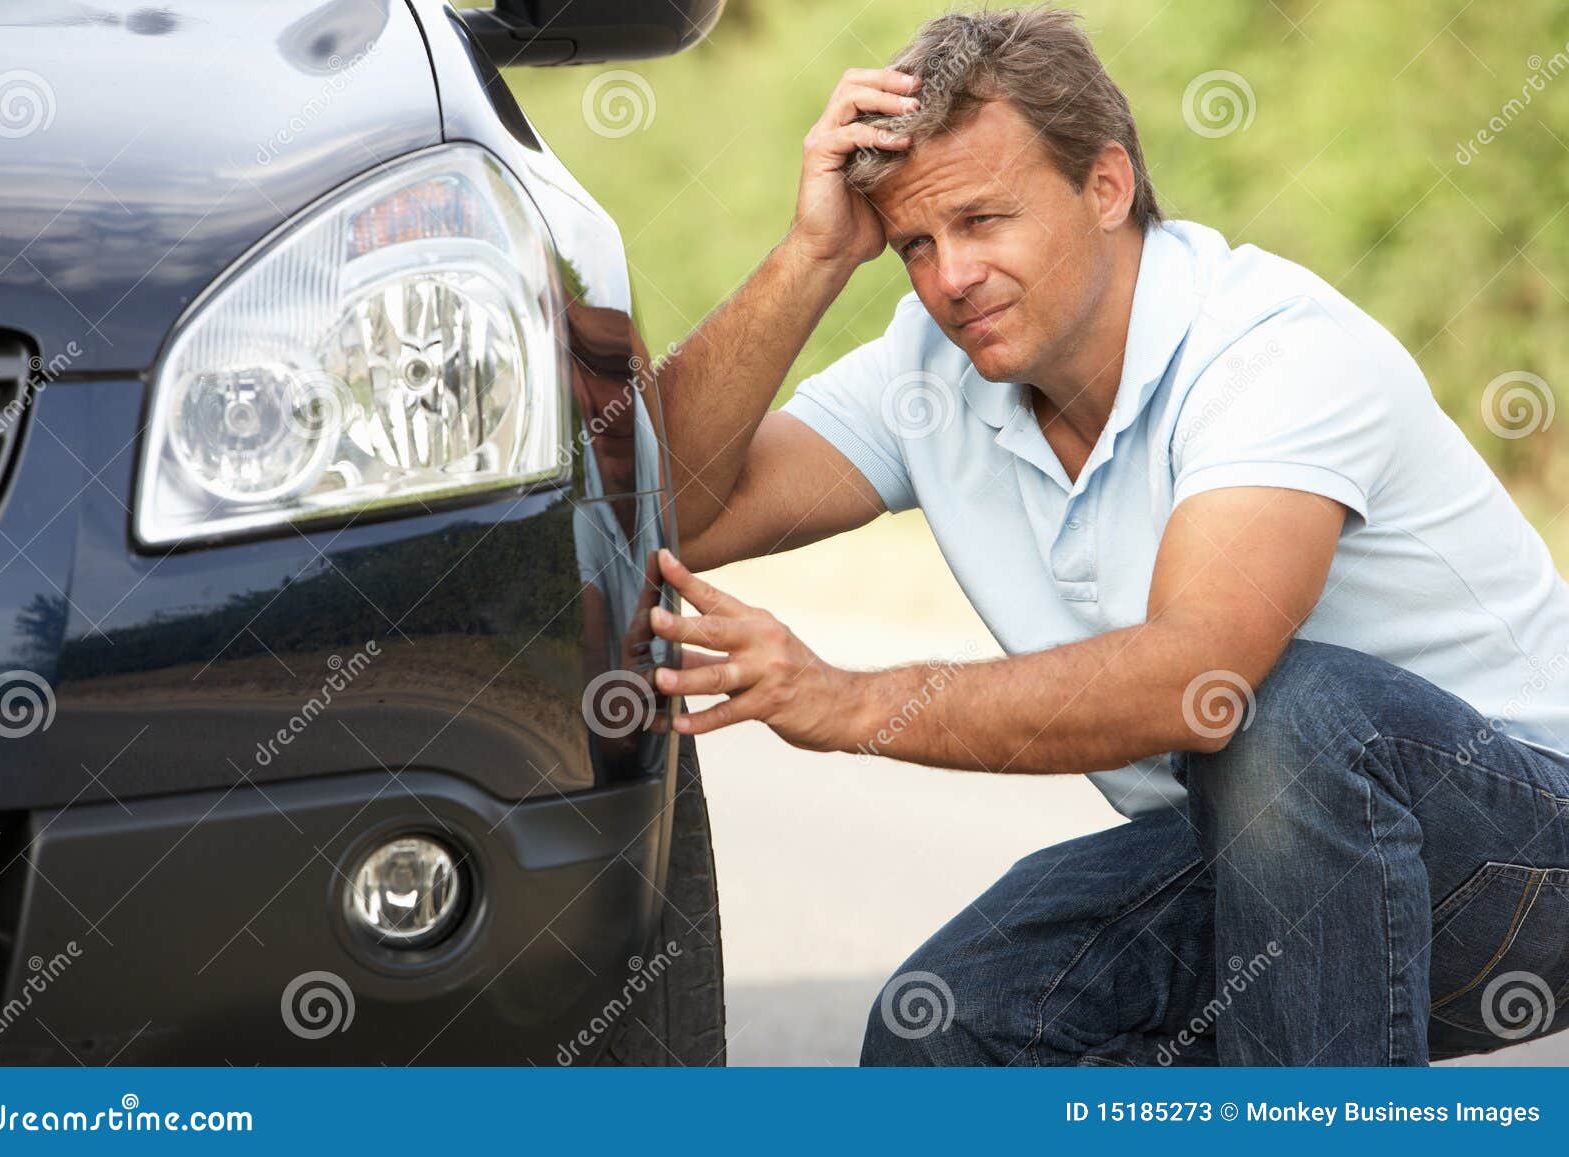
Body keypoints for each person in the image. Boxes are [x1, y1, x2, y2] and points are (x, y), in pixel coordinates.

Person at [641, 6, 1569, 1065]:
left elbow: (1194, 675)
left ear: (1106, 185)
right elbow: (665, 504)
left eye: (984, 220)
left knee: (1290, 716)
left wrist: (844, 697)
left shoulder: (1269, 349)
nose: (949, 277)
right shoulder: (928, 373)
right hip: (1258, 854)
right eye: (914, 244)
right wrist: (811, 253)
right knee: (950, 1022)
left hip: (1529, 849)